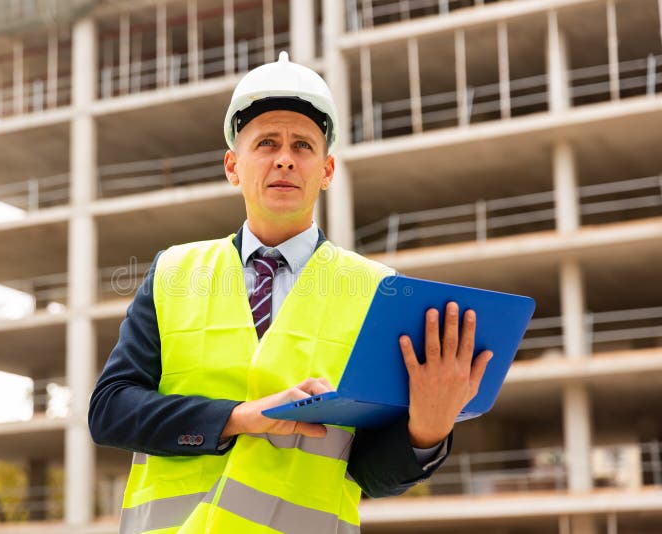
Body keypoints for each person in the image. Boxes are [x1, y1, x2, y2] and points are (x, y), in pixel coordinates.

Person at [89, 51, 492, 534]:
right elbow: (110, 411)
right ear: (233, 166)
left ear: (326, 170)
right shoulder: (175, 271)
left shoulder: (377, 291)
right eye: (266, 143)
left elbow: (368, 473)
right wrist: (240, 417)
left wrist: (428, 428)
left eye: (303, 145)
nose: (284, 157)